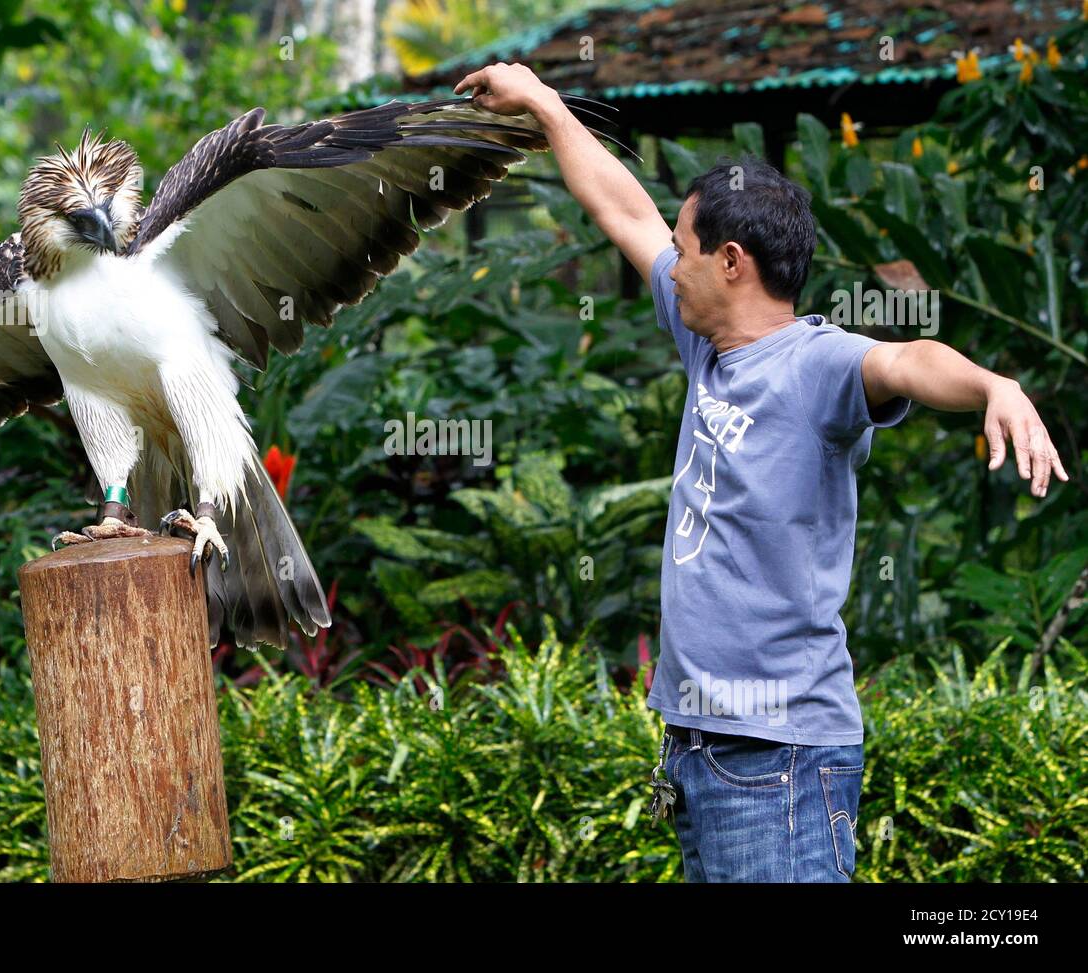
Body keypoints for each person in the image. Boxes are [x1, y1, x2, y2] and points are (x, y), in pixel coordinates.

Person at [454, 62, 1069, 882]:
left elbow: (909, 360)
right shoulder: (705, 341)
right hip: (698, 748)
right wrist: (543, 103)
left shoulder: (817, 363)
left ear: (732, 261)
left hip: (780, 757)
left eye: (684, 250)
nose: (669, 265)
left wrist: (994, 385)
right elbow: (620, 206)